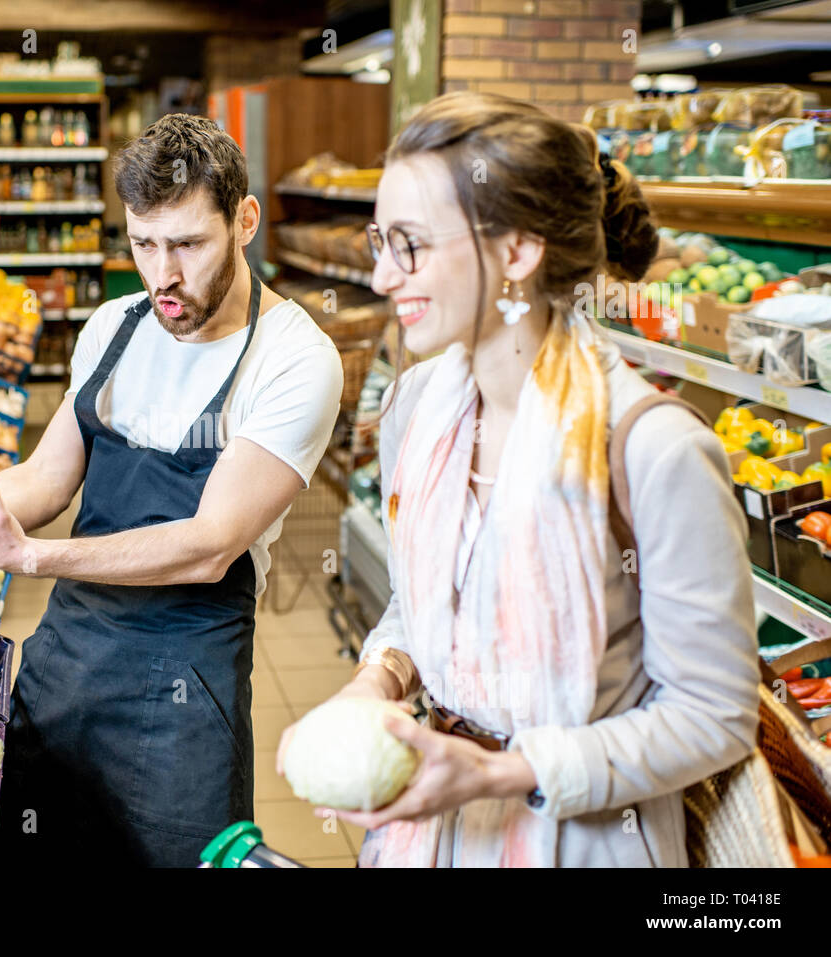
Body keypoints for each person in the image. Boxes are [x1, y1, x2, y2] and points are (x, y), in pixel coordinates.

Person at [277, 92, 759, 867]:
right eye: (379, 240)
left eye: (410, 244)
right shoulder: (415, 409)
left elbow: (715, 715)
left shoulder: (653, 452)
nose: (378, 272)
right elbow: (421, 598)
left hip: (585, 842)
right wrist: (381, 676)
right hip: (427, 838)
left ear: (518, 252)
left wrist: (504, 771)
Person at [0, 113, 343, 866]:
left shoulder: (294, 358)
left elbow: (207, 546)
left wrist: (28, 557)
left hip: (187, 689)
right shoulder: (112, 328)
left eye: (189, 244)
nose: (162, 274)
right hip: (66, 662)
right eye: (142, 243)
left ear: (245, 221)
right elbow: (45, 477)